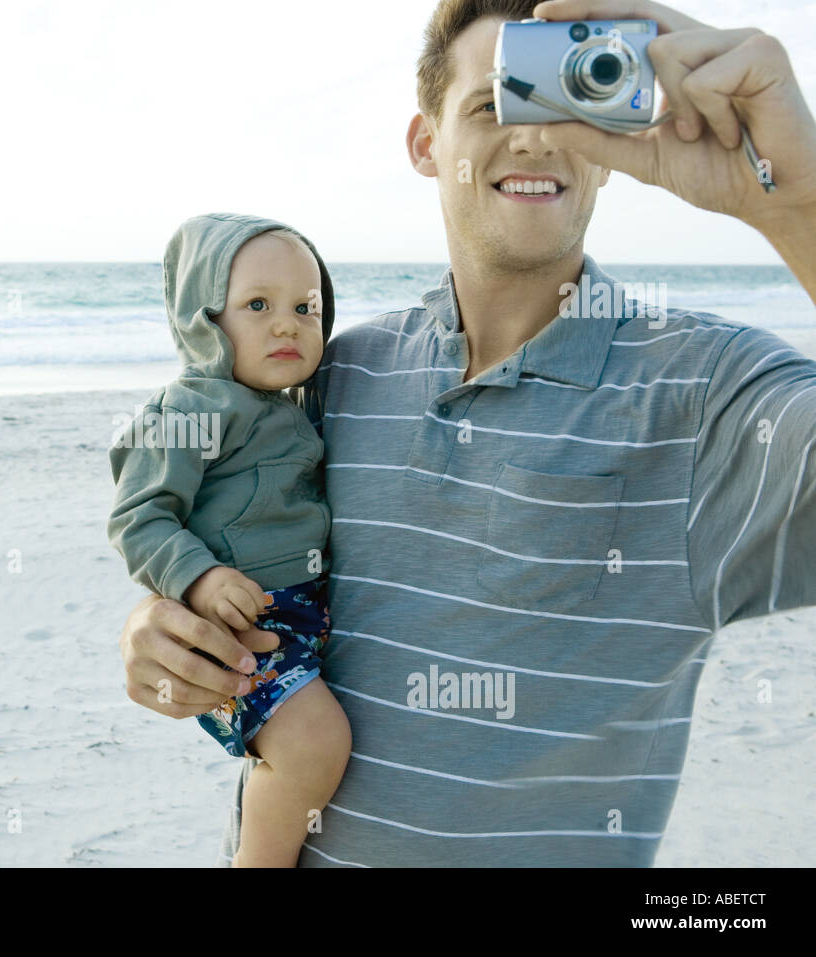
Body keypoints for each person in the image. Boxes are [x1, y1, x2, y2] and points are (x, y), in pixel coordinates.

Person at [118, 0, 816, 867]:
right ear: (425, 144)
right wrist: (169, 626)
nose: (532, 140)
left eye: (564, 108)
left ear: (612, 150)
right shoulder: (336, 374)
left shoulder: (708, 393)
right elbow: (224, 543)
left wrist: (799, 204)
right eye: (495, 106)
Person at [107, 214, 351, 866]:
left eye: (307, 307)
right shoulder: (191, 410)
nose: (287, 324)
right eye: (258, 305)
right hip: (239, 630)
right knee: (314, 744)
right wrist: (200, 578)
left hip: (302, 613)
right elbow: (140, 516)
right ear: (203, 320)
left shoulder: (298, 405)